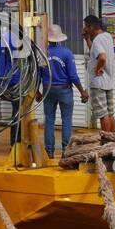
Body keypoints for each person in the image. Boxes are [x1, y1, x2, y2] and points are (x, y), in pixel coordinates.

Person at [40, 23, 87, 158]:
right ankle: (66, 151)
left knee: (49, 120)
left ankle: (49, 151)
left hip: (48, 90)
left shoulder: (43, 52)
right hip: (65, 91)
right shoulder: (66, 53)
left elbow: (37, 74)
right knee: (66, 120)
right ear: (60, 38)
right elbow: (73, 76)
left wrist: (37, 91)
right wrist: (82, 91)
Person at [83, 14, 115, 132]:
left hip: (98, 83)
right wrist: (87, 39)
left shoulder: (97, 40)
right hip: (109, 82)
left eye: (86, 27)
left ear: (91, 27)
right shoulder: (107, 36)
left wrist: (98, 68)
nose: (85, 29)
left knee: (103, 114)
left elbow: (102, 57)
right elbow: (96, 51)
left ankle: (106, 141)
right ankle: (113, 140)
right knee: (110, 113)